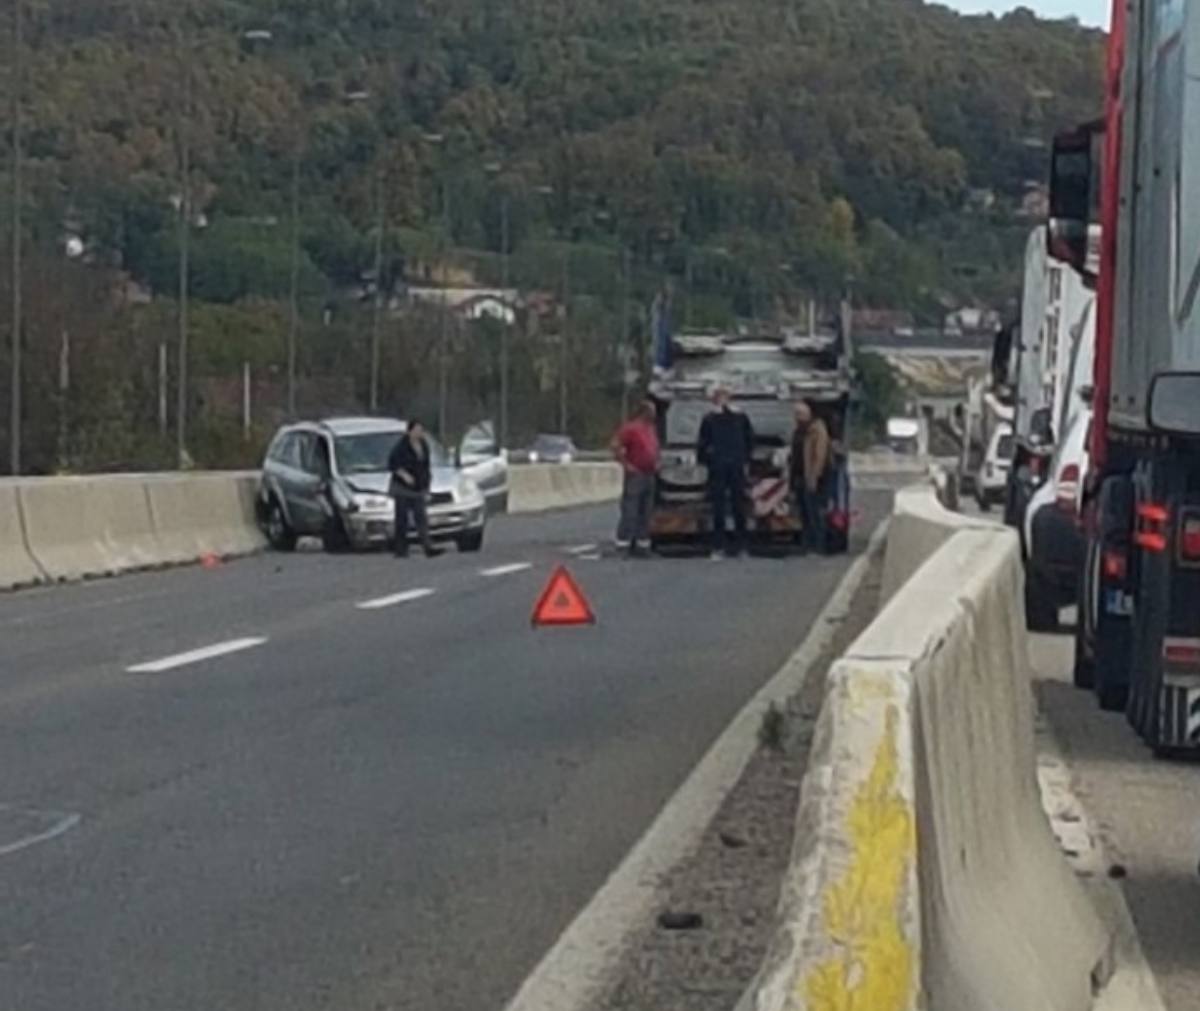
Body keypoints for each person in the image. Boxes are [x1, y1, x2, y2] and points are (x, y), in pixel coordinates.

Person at [698, 386, 754, 558]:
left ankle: (742, 546)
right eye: (718, 396)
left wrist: (745, 459)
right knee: (718, 508)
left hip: (735, 466)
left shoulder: (740, 416)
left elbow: (750, 439)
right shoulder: (709, 418)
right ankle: (718, 546)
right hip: (718, 468)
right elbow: (702, 443)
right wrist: (709, 461)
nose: (721, 399)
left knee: (739, 506)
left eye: (724, 395)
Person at [611, 399, 660, 557]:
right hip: (636, 474)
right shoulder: (631, 429)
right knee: (630, 510)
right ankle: (623, 544)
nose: (654, 414)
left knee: (646, 512)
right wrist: (626, 465)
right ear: (644, 412)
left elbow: (654, 449)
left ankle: (642, 545)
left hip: (649, 473)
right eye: (651, 411)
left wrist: (657, 461)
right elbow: (615, 445)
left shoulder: (650, 429)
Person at [388, 420, 444, 559]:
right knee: (402, 519)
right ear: (409, 431)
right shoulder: (401, 447)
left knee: (421, 518)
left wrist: (427, 485)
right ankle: (400, 549)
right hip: (402, 488)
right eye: (416, 430)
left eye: (421, 430)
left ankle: (428, 547)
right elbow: (392, 464)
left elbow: (425, 466)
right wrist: (404, 475)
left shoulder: (424, 446)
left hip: (418, 487)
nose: (419, 433)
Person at [790, 401, 831, 554]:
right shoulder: (799, 430)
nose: (796, 417)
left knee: (814, 512)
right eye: (795, 414)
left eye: (799, 414)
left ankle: (818, 545)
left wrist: (814, 476)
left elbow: (819, 455)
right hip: (800, 475)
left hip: (812, 477)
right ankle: (806, 544)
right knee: (804, 513)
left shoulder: (816, 430)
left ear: (807, 414)